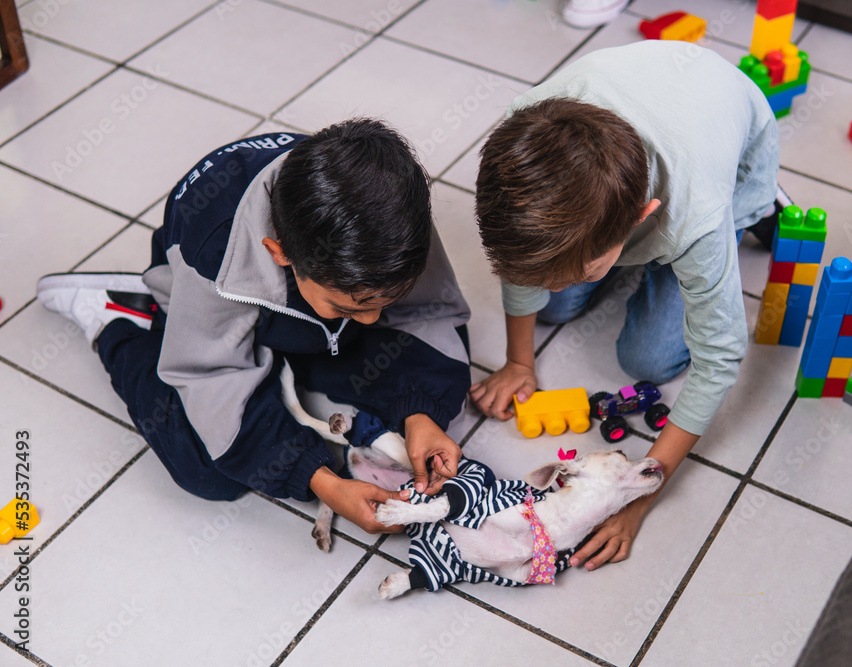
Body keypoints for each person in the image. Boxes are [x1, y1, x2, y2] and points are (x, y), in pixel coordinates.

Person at [37, 120, 472, 534]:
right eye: (350, 306)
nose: (375, 319)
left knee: (401, 365)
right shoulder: (214, 250)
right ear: (279, 252)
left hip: (309, 320)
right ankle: (120, 321)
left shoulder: (394, 216)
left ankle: (327, 333)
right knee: (206, 471)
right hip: (211, 316)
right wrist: (322, 481)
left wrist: (422, 415)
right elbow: (212, 378)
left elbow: (426, 313)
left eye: (383, 301)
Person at [470, 40, 783, 569]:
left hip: (727, 146)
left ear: (642, 216)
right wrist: (518, 360)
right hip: (645, 104)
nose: (557, 281)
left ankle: (764, 205)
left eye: (586, 267)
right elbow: (524, 270)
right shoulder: (519, 142)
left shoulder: (695, 214)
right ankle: (611, 264)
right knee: (552, 307)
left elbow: (720, 357)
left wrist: (641, 494)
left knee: (650, 362)